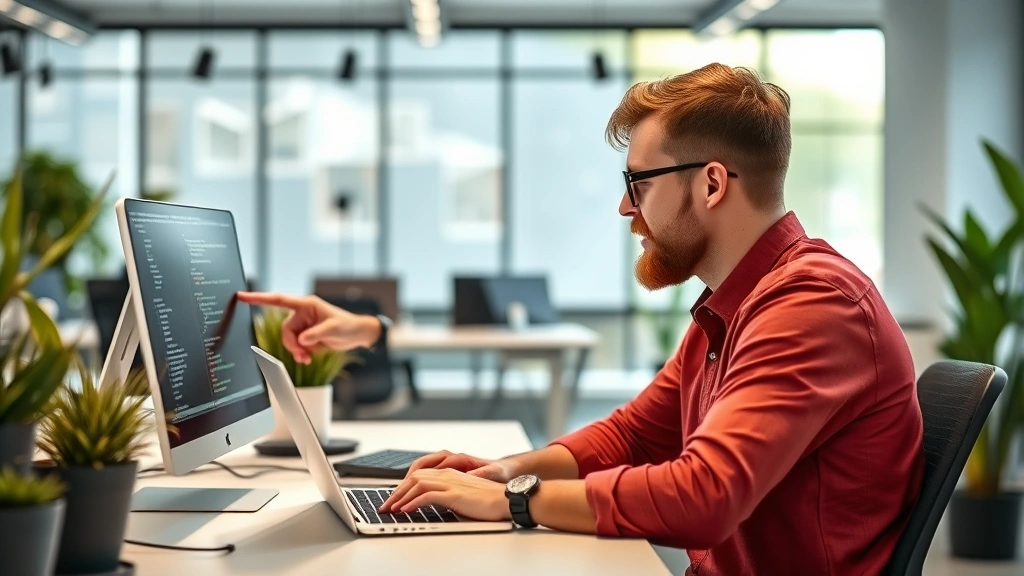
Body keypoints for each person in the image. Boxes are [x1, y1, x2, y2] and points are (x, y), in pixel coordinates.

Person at [238, 62, 923, 576]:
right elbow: (635, 433)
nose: (626, 210)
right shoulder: (738, 303)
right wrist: (502, 473)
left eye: (639, 184)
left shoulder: (814, 305)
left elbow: (705, 495)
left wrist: (518, 500)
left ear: (711, 183)